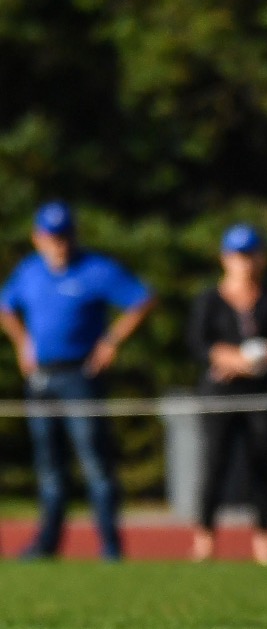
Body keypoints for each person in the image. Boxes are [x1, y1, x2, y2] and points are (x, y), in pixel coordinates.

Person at [1, 202, 154, 560]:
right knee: (49, 465)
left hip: (81, 377)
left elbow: (142, 299)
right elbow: (6, 306)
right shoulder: (29, 271)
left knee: (95, 463)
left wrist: (111, 341)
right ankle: (47, 544)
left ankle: (110, 546)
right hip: (41, 378)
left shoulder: (96, 269)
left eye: (65, 236)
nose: (59, 245)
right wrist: (22, 342)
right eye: (52, 237)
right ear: (38, 238)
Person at [187, 223, 267, 565]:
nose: (243, 263)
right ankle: (205, 538)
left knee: (260, 463)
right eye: (236, 256)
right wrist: (229, 358)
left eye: (250, 256)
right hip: (220, 393)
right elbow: (199, 343)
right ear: (224, 259)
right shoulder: (210, 299)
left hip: (261, 394)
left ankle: (263, 538)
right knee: (214, 463)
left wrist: (258, 361)